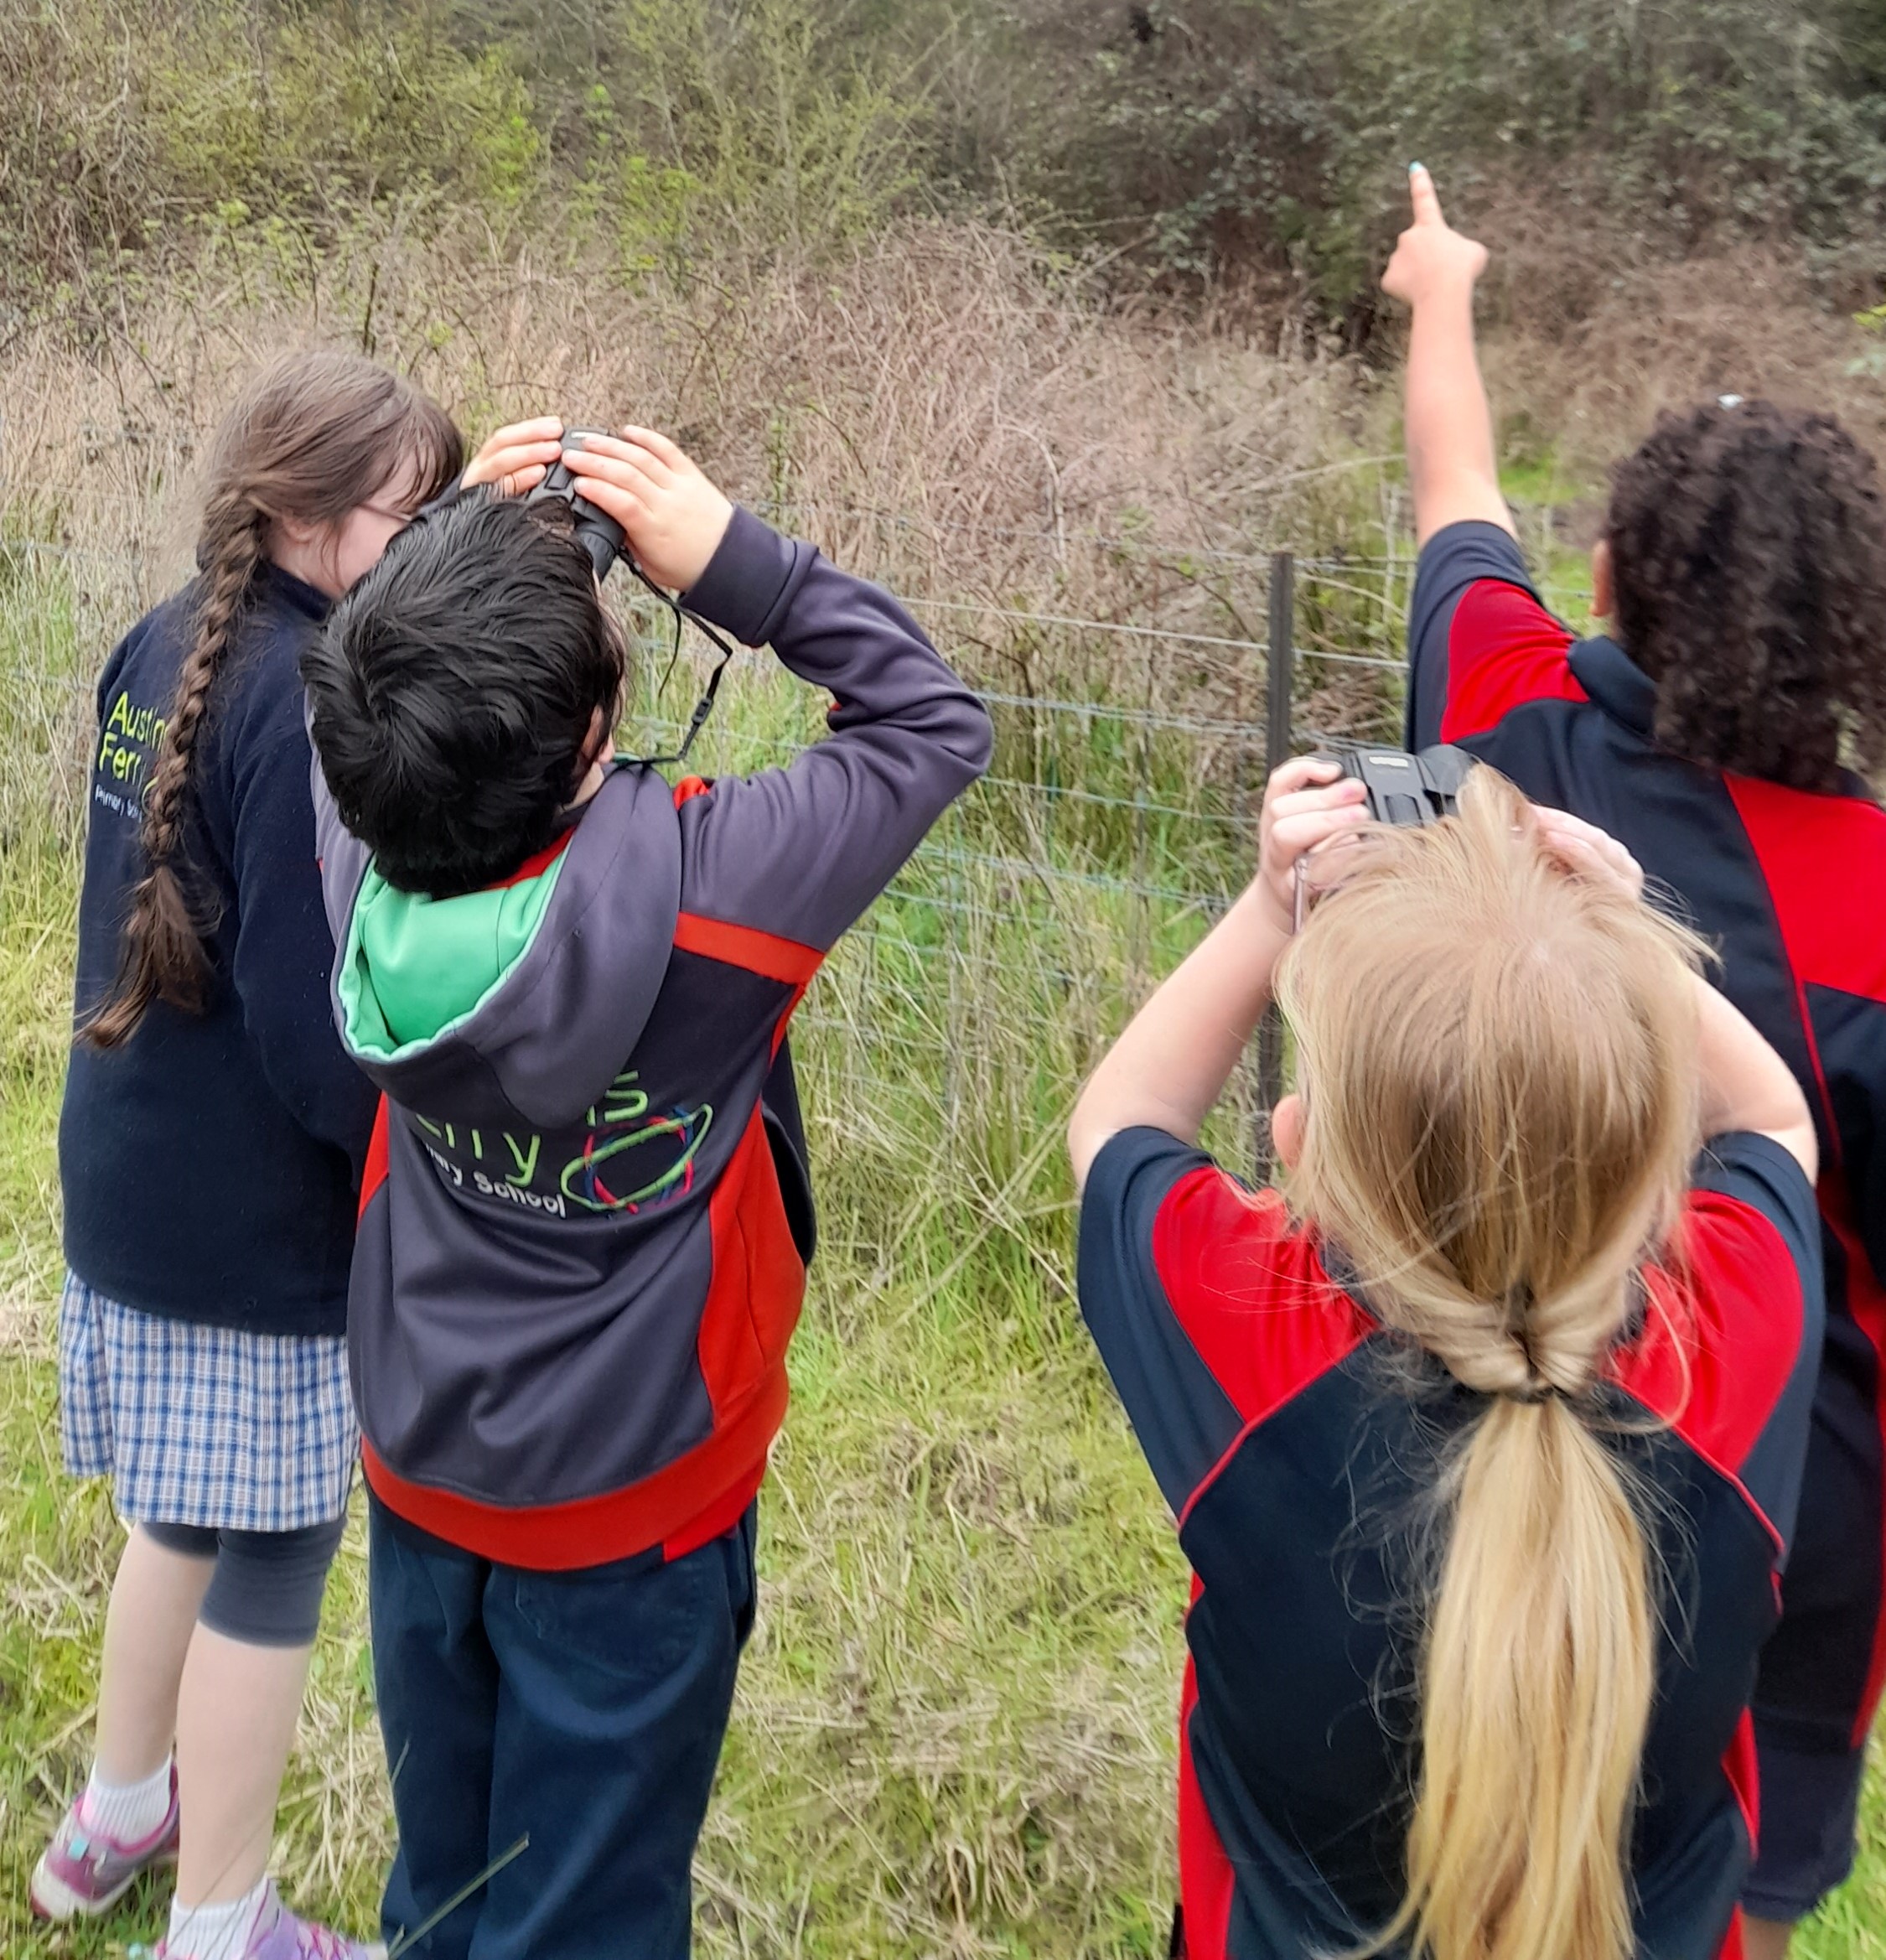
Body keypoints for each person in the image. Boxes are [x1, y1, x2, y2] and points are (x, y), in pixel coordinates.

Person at [297, 429, 993, 1959]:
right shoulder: (716, 892)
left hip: (420, 1462)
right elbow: (931, 721)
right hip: (639, 1502)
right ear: (601, 727)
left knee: (445, 1883)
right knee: (591, 1905)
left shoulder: (358, 850)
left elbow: (345, 693)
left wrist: (449, 545)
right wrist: (734, 558)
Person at [1069, 755, 1824, 1960]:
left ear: (1299, 1151)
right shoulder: (1727, 1340)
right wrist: (1611, 935)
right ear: (1644, 1158)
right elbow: (1774, 1120)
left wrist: (1273, 904)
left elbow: (1117, 1126)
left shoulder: (1255, 1345)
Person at [1387, 163, 1886, 1956]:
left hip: (1473, 1440)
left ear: (1602, 575)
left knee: (1468, 1855)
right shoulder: (1878, 906)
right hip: (1785, 1523)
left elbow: (1456, 479)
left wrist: (1440, 284)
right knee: (1703, 1895)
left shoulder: (1506, 705)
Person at [35, 349, 562, 1960]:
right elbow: (301, 1010)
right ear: (301, 511)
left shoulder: (171, 639)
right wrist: (404, 1156)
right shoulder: (307, 701)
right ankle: (224, 1919)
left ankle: (118, 1815)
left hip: (132, 1180)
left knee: (174, 1519)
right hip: (254, 1229)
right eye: (406, 512)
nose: (416, 544)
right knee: (274, 1552)